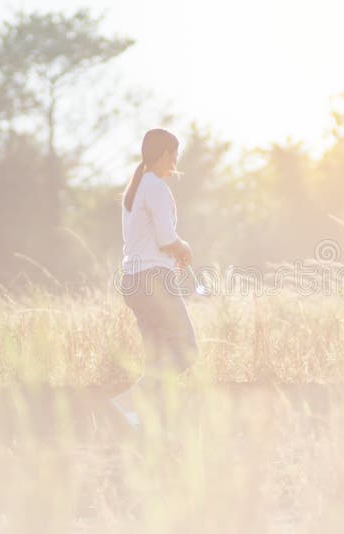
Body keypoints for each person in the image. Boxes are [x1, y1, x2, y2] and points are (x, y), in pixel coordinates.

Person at [111, 128, 200, 431]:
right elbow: (165, 238)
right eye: (174, 153)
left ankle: (151, 430)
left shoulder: (134, 189)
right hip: (153, 281)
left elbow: (148, 240)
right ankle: (130, 402)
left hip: (133, 282)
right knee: (186, 349)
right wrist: (183, 248)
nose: (176, 160)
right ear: (164, 154)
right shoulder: (157, 187)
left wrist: (169, 256)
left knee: (158, 358)